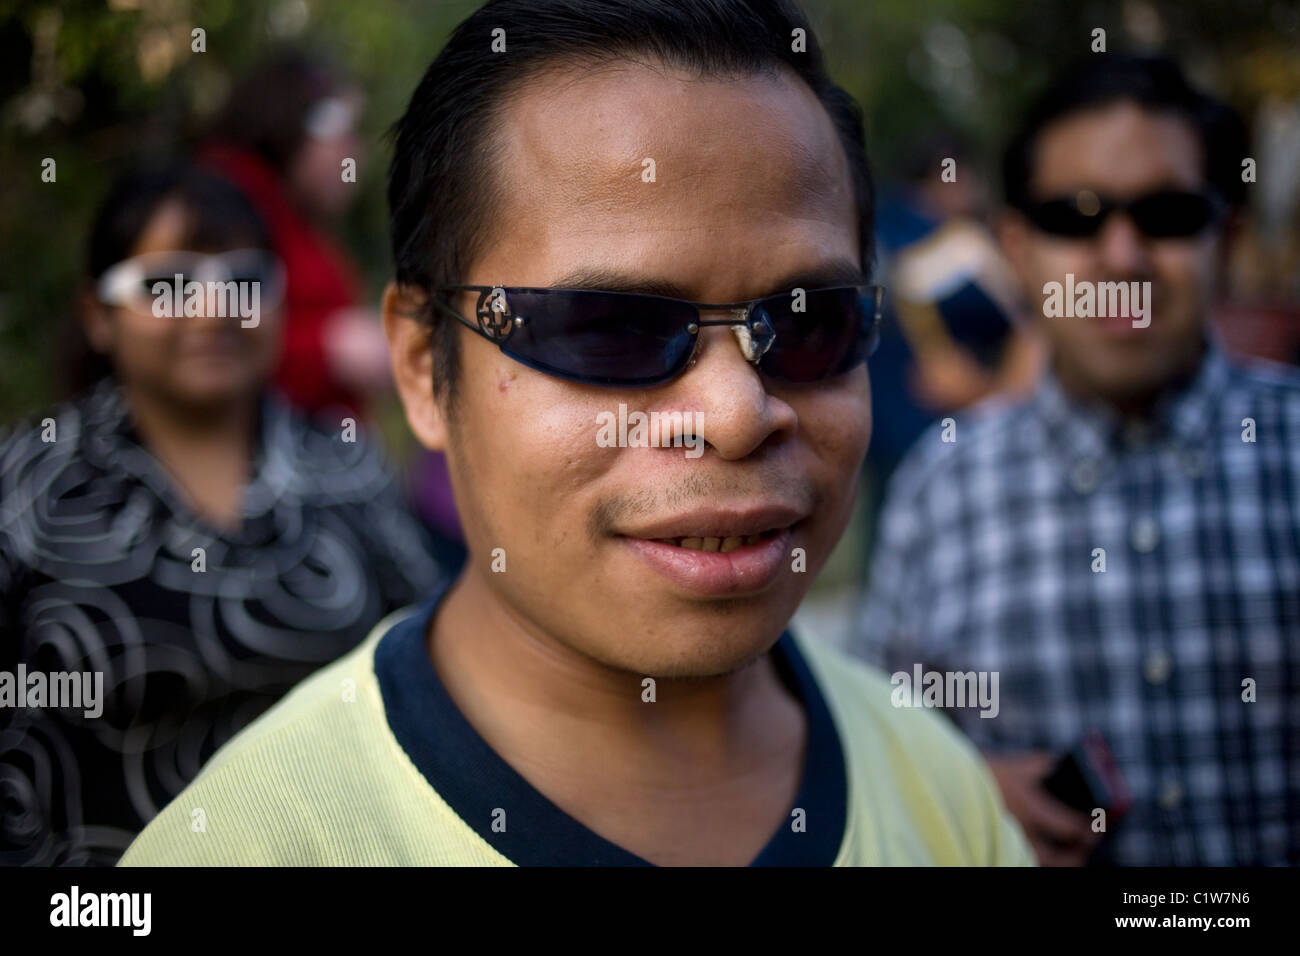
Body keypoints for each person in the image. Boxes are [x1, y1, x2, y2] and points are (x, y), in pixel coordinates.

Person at [120, 0, 1032, 867]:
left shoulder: (940, 792)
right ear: (421, 368)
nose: (738, 412)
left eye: (810, 321)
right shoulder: (250, 844)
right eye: (613, 329)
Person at [855, 55, 1299, 866]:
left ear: (1226, 240)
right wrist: (958, 785)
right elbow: (876, 733)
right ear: (1019, 251)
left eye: (1166, 213)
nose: (1121, 257)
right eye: (1076, 216)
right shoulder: (941, 488)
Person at [0, 165, 446, 865]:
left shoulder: (346, 467)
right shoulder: (30, 485)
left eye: (243, 281)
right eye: (168, 284)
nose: (212, 310)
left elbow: (429, 660)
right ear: (96, 314)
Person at [200, 49, 390, 420]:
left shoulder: (295, 217)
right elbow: (206, 334)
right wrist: (328, 351)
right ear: (293, 126)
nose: (353, 156)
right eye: (343, 134)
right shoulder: (226, 204)